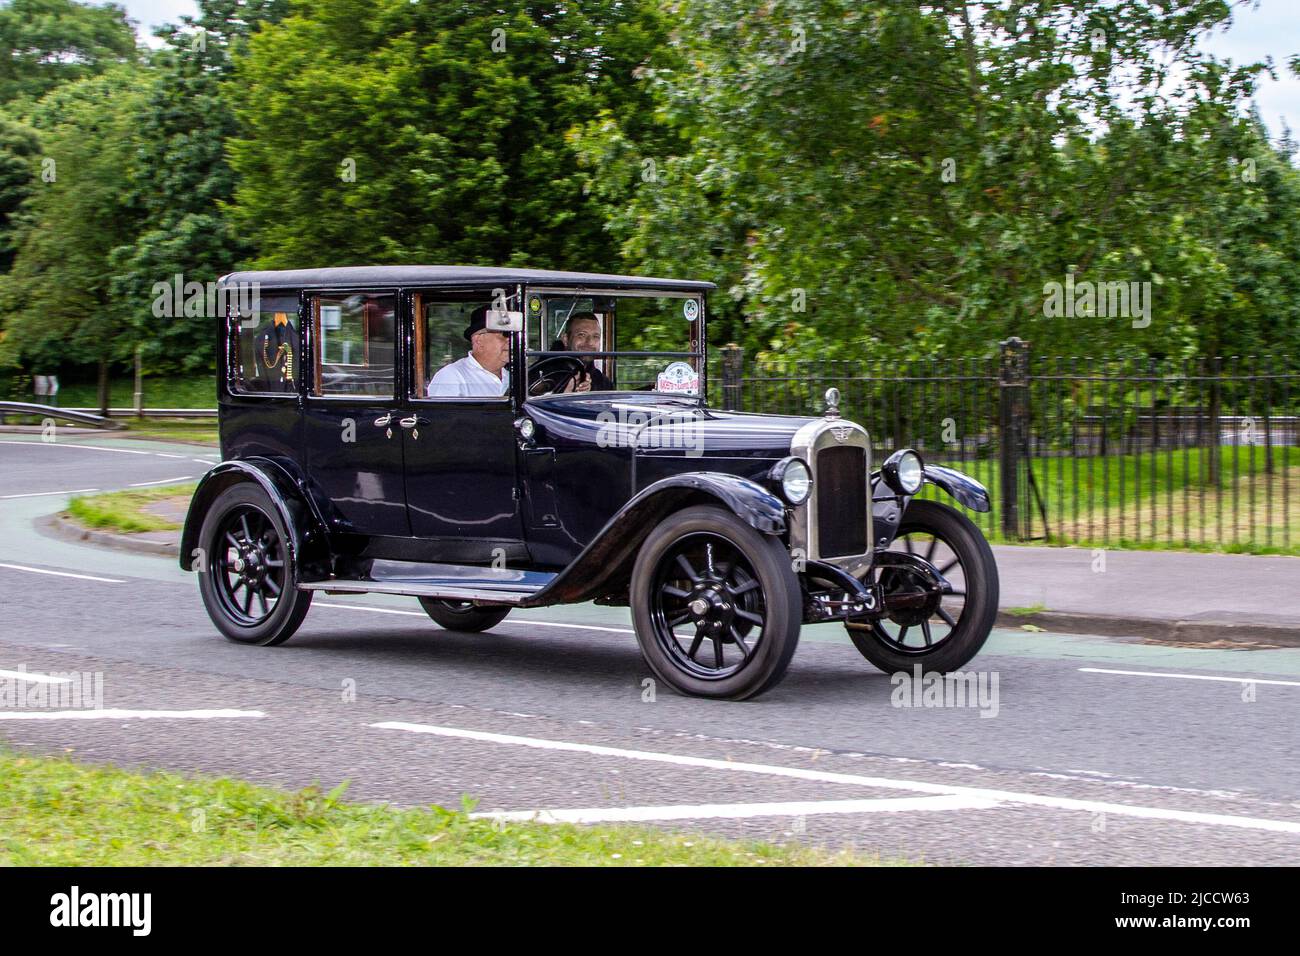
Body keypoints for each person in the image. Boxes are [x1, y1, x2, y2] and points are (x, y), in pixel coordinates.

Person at [427, 305, 510, 397]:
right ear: (479, 340)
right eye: (504, 334)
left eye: (513, 334)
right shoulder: (451, 377)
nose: (510, 339)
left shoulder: (517, 376)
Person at [556, 312, 613, 392]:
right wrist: (565, 393)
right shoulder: (544, 374)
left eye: (595, 336)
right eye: (582, 335)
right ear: (565, 340)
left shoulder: (603, 382)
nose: (590, 342)